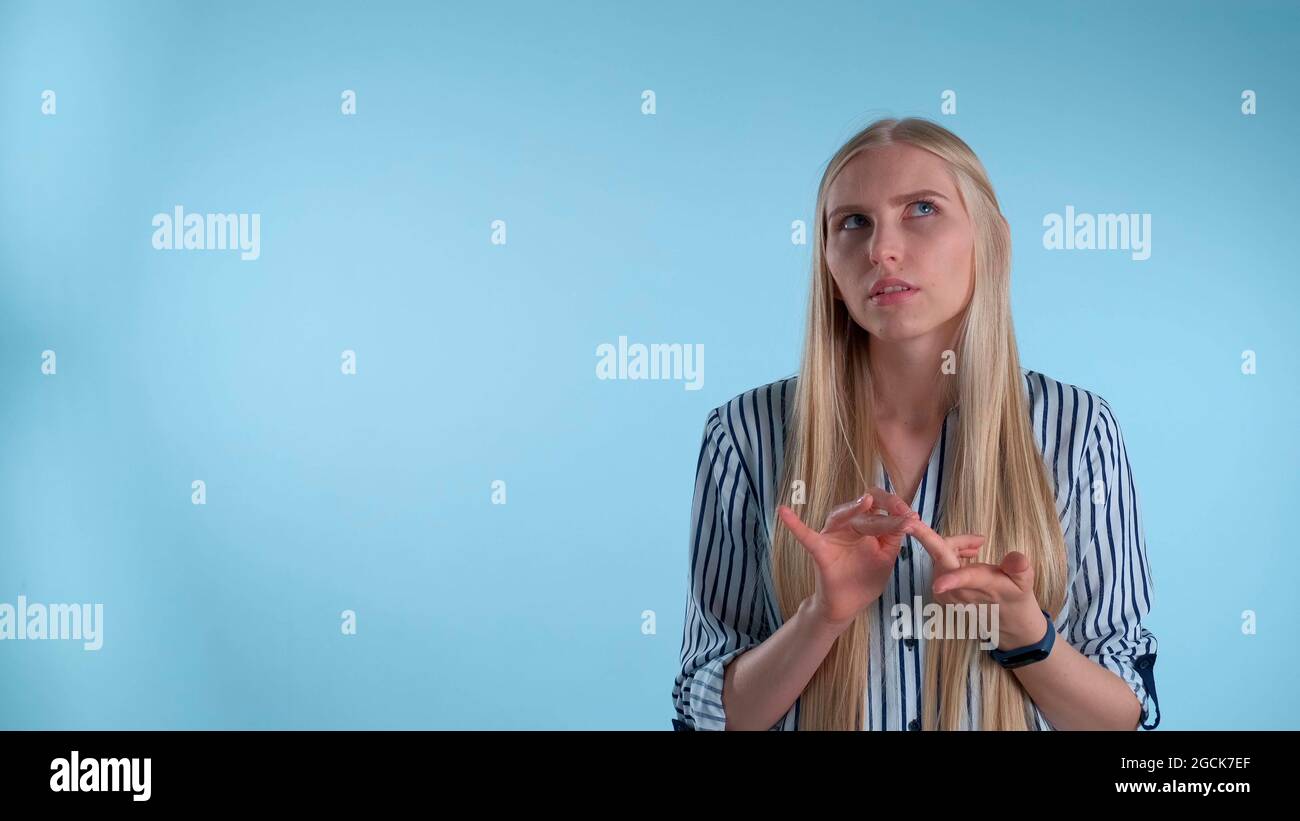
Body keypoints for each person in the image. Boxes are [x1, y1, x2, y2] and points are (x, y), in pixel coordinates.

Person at [670, 117, 1160, 731]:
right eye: (854, 222)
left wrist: (1027, 637)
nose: (881, 249)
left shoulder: (1076, 429)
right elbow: (705, 713)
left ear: (992, 241)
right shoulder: (745, 433)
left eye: (922, 209)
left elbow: (1128, 721)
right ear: (827, 262)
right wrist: (822, 615)